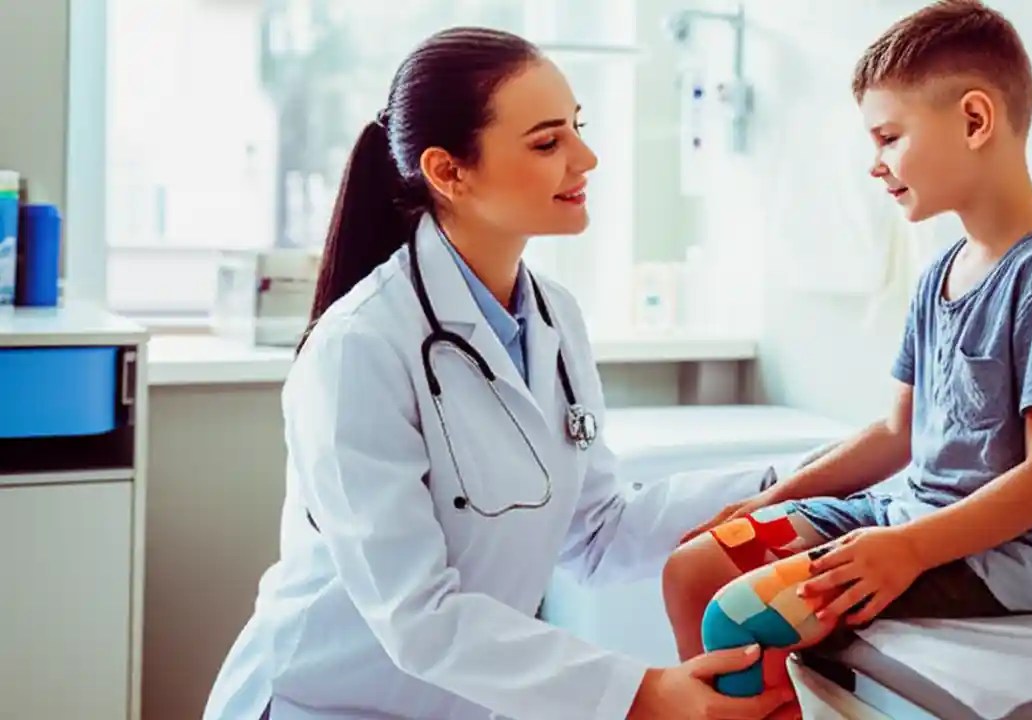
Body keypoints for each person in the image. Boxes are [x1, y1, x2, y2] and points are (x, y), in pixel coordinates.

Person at [203, 27, 797, 720]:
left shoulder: (554, 317)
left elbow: (598, 534)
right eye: (548, 143)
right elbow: (416, 616)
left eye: (576, 129)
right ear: (449, 172)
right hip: (328, 702)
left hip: (457, 704)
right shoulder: (359, 347)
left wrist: (787, 485)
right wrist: (644, 694)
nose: (587, 158)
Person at [662, 0, 1032, 698]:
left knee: (741, 612)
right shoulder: (938, 275)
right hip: (903, 516)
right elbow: (897, 434)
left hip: (1001, 558)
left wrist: (909, 550)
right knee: (694, 568)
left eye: (888, 137)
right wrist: (768, 502)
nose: (875, 166)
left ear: (975, 120)